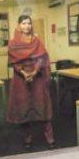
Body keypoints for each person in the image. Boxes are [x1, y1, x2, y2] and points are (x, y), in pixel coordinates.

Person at [6, 14, 55, 149]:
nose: (26, 26)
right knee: (24, 108)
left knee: (42, 105)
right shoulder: (13, 42)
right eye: (23, 23)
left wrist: (34, 72)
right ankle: (27, 136)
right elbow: (13, 62)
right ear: (19, 25)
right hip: (20, 79)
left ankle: (49, 136)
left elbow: (42, 58)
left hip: (37, 78)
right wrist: (24, 73)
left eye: (29, 23)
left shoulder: (37, 41)